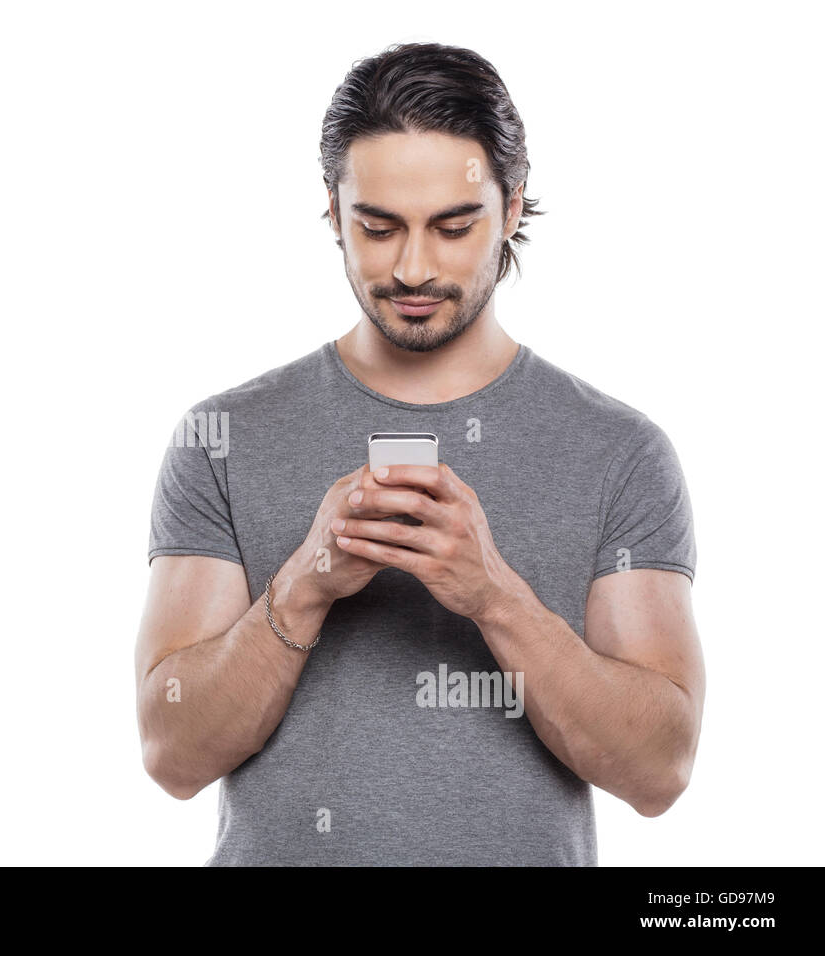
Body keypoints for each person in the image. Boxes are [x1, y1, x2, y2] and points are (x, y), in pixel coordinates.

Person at [135, 41, 704, 866]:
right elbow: (171, 756)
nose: (412, 267)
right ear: (334, 213)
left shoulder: (621, 452)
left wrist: (493, 595)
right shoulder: (221, 439)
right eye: (378, 226)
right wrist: (303, 586)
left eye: (452, 226)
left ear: (510, 209)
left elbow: (661, 770)